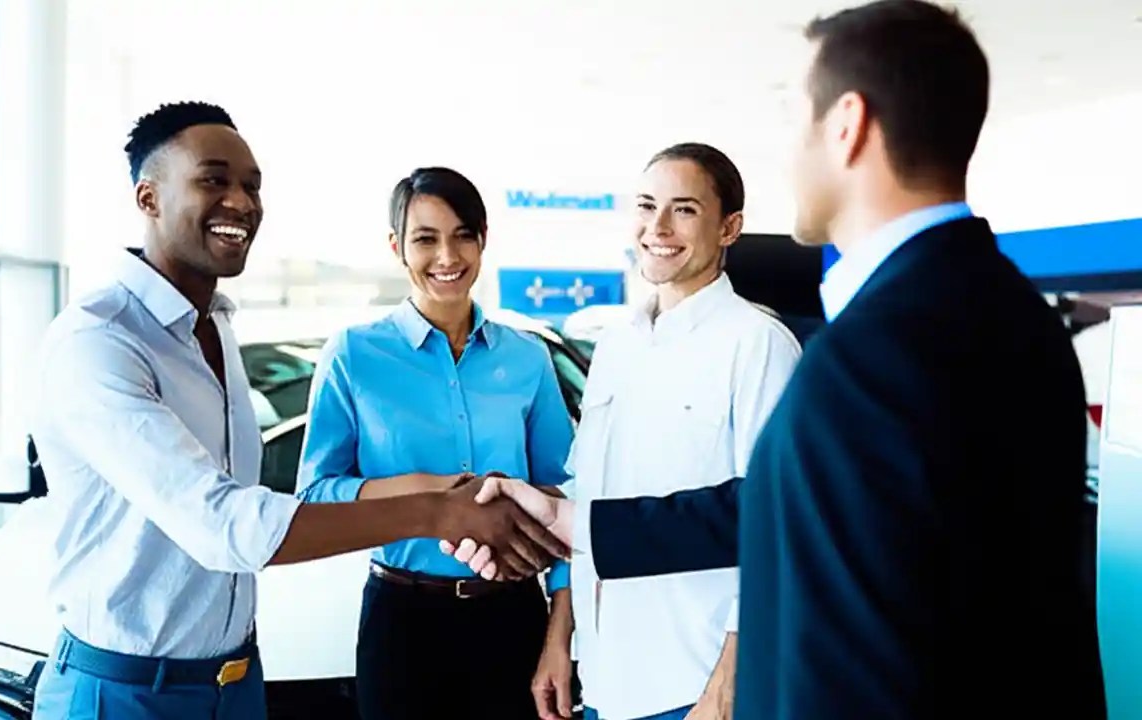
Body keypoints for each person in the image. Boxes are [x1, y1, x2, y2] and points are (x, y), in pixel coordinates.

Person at [448, 1, 1107, 717]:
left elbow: (847, 610)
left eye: (798, 120)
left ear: (848, 126)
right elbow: (773, 509)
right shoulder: (1004, 314)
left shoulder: (883, 342)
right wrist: (561, 522)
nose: (790, 151)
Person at [27, 103, 565, 720]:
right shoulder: (97, 341)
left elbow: (564, 485)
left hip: (234, 678)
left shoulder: (214, 328)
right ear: (147, 197)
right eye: (213, 179)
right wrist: (438, 507)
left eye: (252, 185)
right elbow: (227, 523)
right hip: (127, 688)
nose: (241, 201)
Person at [294, 166, 575, 720]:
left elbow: (567, 500)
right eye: (426, 238)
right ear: (397, 247)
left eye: (462, 235)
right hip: (403, 621)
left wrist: (559, 639)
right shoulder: (353, 355)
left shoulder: (527, 358)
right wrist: (442, 496)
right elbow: (317, 495)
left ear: (483, 239)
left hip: (512, 616)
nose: (447, 256)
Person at [533, 144, 800, 720]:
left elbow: (775, 522)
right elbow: (586, 498)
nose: (658, 228)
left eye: (683, 210)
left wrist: (732, 676)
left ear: (730, 228)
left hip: (696, 683)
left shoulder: (758, 345)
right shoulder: (616, 343)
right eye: (647, 206)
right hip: (606, 678)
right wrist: (562, 639)